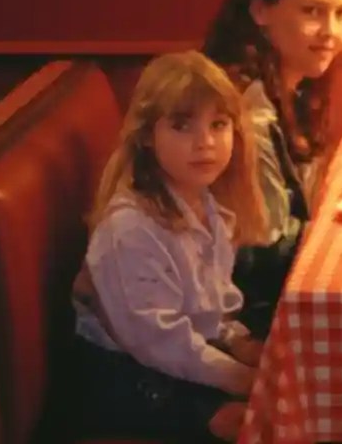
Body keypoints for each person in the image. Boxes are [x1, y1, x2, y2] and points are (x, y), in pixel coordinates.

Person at [70, 51, 270, 442]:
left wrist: (239, 342)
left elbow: (208, 310)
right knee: (252, 423)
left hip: (178, 359)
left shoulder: (209, 207)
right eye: (182, 126)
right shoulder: (130, 228)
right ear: (147, 136)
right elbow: (159, 342)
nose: (205, 143)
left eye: (219, 124)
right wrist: (242, 378)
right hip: (125, 379)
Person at [204, 0, 342, 334]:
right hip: (238, 322)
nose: (331, 31)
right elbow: (266, 257)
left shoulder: (291, 86)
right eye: (312, 11)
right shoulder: (243, 112)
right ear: (261, 11)